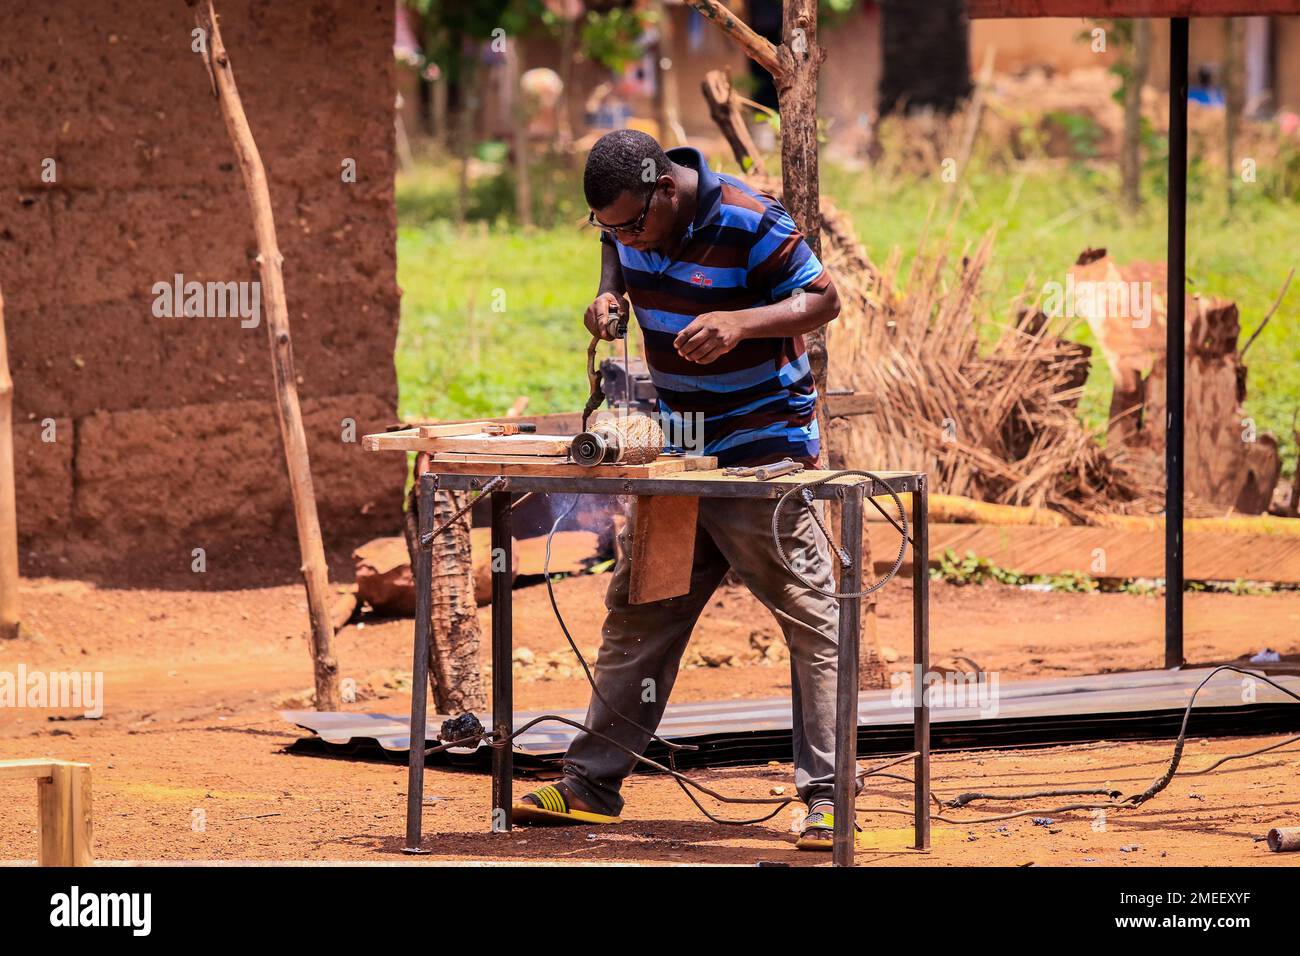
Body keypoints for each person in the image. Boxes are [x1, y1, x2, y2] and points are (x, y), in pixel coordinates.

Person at [513, 129, 846, 849]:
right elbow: (615, 246)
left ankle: (826, 799)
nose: (626, 238)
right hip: (680, 450)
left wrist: (739, 323)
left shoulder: (751, 219)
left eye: (631, 224)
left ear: (666, 189)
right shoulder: (627, 222)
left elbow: (823, 300)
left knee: (813, 621)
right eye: (609, 228)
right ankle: (591, 786)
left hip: (763, 450)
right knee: (642, 614)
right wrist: (606, 296)